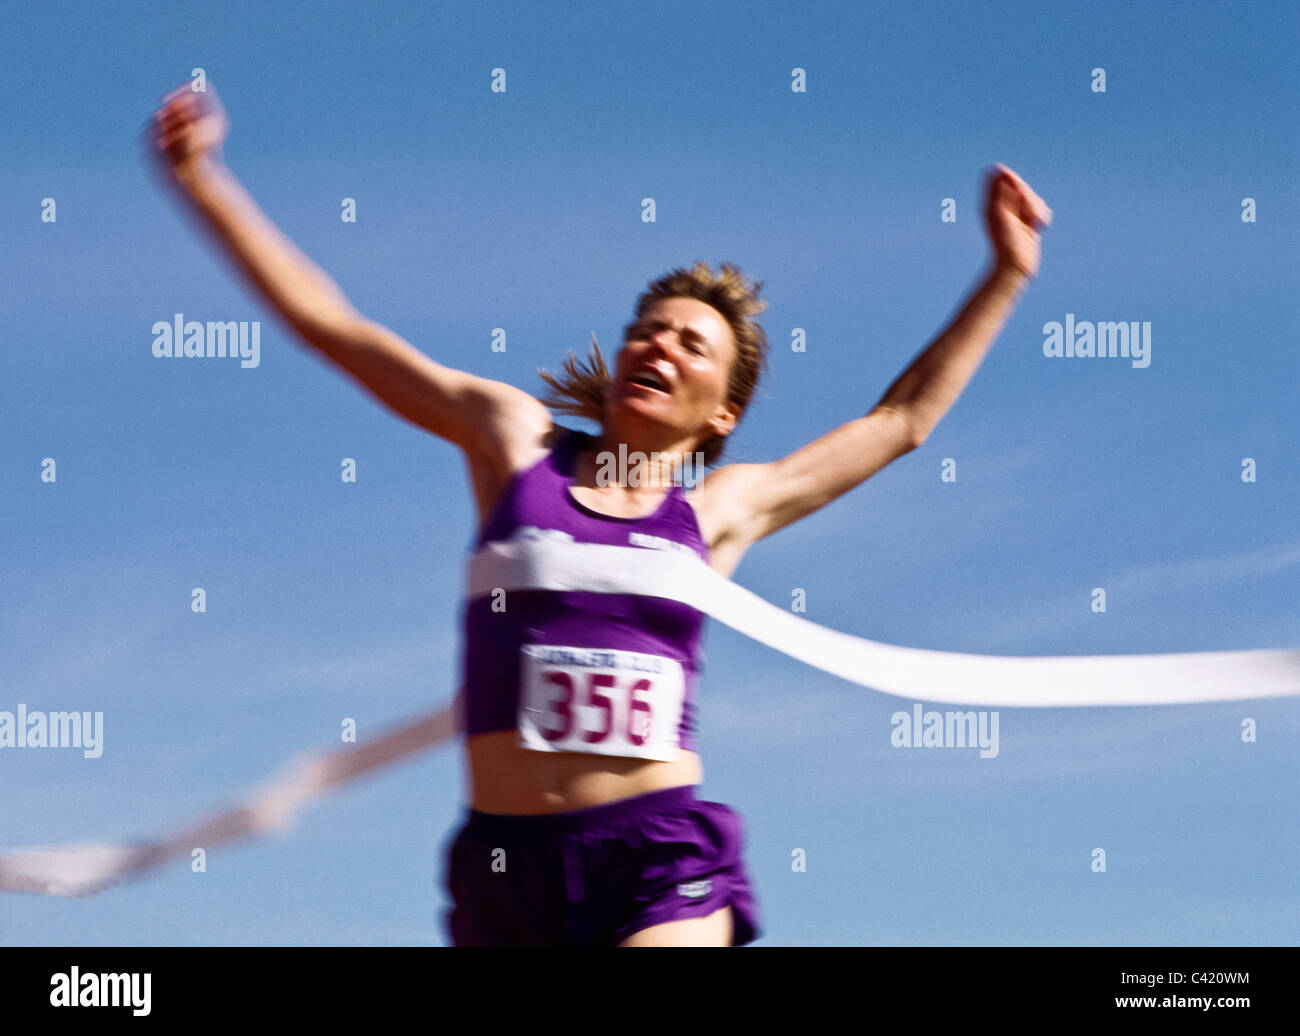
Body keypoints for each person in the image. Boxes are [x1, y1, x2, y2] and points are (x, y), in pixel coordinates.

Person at [148, 81, 1050, 946]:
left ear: (723, 410)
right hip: (503, 866)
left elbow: (900, 423)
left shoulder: (724, 510)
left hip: (656, 857)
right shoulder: (513, 443)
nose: (657, 343)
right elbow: (335, 329)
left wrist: (1005, 275)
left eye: (691, 342)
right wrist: (204, 180)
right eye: (645, 328)